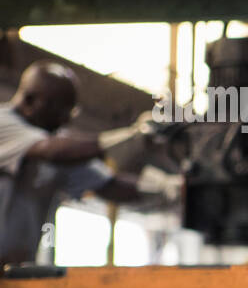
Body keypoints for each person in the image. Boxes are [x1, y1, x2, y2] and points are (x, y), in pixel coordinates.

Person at [0, 61, 181, 265]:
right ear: (30, 101)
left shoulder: (58, 149)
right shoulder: (6, 124)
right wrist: (129, 137)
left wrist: (168, 186)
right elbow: (50, 149)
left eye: (69, 113)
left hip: (14, 276)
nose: (66, 121)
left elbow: (109, 186)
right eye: (60, 112)